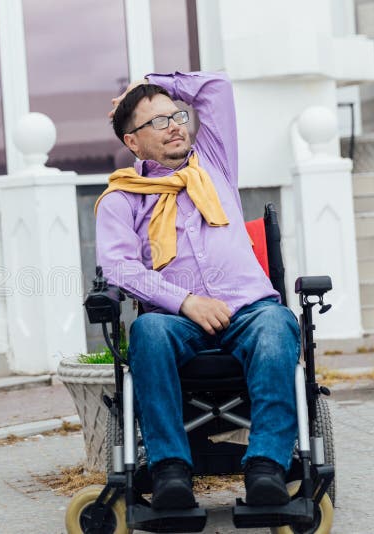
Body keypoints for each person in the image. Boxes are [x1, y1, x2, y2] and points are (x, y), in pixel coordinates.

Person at [94, 71, 300, 510]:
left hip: (248, 311)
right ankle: (170, 471)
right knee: (147, 332)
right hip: (176, 322)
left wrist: (146, 82)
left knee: (277, 323)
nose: (174, 126)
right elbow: (117, 266)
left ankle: (266, 466)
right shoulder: (122, 198)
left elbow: (215, 89)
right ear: (132, 142)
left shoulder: (214, 162)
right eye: (157, 122)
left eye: (177, 115)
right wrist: (184, 301)